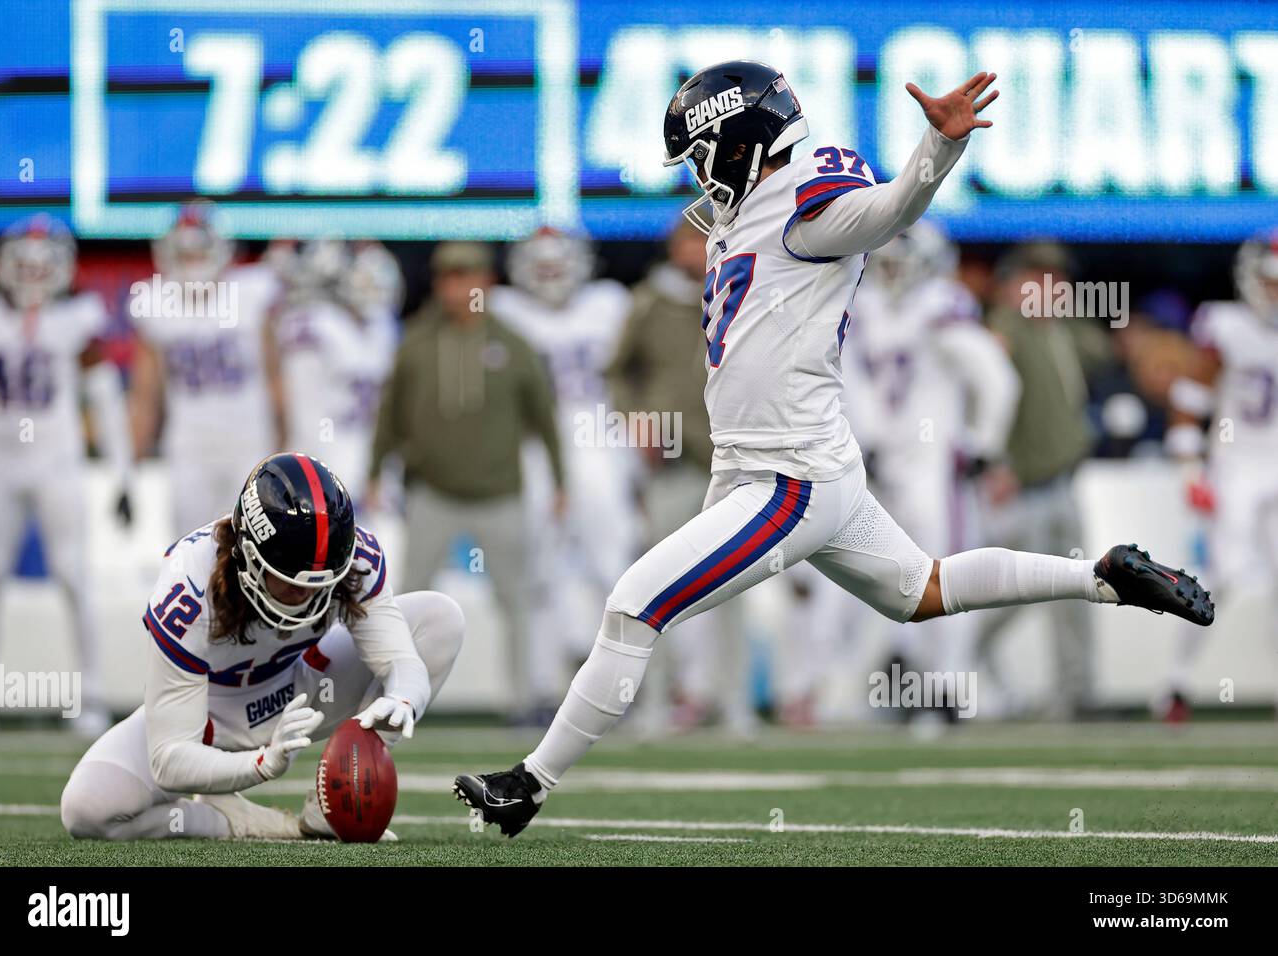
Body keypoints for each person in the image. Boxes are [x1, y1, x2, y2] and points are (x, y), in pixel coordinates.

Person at [453, 60, 1213, 837]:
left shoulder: (803, 199)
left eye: (702, 153)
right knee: (921, 589)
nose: (697, 174)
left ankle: (530, 781)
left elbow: (885, 212)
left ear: (740, 142)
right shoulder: (748, 213)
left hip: (789, 478)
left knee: (632, 607)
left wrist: (935, 150)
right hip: (788, 465)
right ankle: (1104, 577)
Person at [58, 452, 463, 840]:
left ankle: (333, 804)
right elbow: (169, 758)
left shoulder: (351, 559)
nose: (306, 595)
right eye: (289, 579)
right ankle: (225, 820)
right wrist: (261, 765)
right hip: (210, 716)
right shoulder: (191, 585)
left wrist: (405, 699)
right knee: (88, 808)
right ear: (247, 554)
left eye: (320, 582)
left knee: (440, 618)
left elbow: (401, 662)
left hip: (304, 693)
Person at [368, 241, 564, 722]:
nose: (460, 288)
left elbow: (545, 417)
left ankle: (522, 701)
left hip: (500, 492)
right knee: (407, 602)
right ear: (439, 284)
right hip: (431, 491)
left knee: (517, 599)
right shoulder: (416, 341)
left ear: (488, 282)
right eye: (451, 278)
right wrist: (374, 471)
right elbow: (389, 414)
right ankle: (396, 698)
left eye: (469, 277)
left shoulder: (514, 343)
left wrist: (561, 480)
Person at [845, 220, 1020, 719]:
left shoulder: (941, 304)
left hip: (934, 465)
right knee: (883, 578)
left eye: (902, 262)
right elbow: (851, 382)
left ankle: (946, 685)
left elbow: (997, 379)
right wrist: (868, 440)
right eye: (887, 262)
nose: (893, 272)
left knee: (947, 573)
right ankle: (895, 682)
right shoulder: (867, 307)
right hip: (879, 466)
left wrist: (984, 446)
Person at [0, 215, 133, 737]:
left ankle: (89, 696)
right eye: (23, 267)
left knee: (73, 574)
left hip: (57, 463)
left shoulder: (78, 319)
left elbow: (106, 399)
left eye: (42, 268)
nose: (32, 277)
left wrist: (123, 472)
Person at [607, 218, 754, 735]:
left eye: (702, 240)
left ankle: (733, 698)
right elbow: (617, 371)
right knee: (658, 587)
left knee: (735, 584)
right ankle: (654, 704)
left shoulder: (747, 285)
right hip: (672, 461)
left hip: (735, 459)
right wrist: (638, 418)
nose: (695, 251)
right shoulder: (652, 301)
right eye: (687, 242)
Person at [490, 228, 636, 707]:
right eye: (542, 268)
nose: (551, 277)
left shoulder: (608, 303)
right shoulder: (503, 309)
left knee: (613, 566)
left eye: (558, 266)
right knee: (536, 568)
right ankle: (539, 685)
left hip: (598, 437)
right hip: (533, 445)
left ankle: (620, 683)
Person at [976, 242, 1115, 718]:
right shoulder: (1002, 330)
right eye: (1038, 279)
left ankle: (1077, 693)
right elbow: (987, 401)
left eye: (1057, 280)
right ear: (1013, 284)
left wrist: (1066, 314)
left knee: (1082, 588)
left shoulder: (1061, 331)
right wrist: (996, 463)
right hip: (1022, 485)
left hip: (1063, 482)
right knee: (1012, 592)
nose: (1052, 288)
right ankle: (957, 652)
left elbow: (1102, 353)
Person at [1161, 230, 1278, 718]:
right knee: (1222, 579)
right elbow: (1190, 399)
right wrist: (1191, 469)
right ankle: (1175, 684)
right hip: (1236, 467)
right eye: (1270, 283)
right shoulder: (1224, 324)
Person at [130, 201, 285, 536]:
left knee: (254, 543)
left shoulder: (251, 295)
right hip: (189, 446)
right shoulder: (156, 307)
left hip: (249, 442)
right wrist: (132, 466)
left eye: (199, 252)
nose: (193, 262)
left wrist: (284, 448)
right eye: (185, 254)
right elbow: (145, 396)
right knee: (192, 547)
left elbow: (275, 379)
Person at [275, 239, 401, 503]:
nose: (372, 295)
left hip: (368, 455)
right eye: (365, 284)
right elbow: (304, 411)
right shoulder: (317, 323)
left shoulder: (382, 328)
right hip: (325, 458)